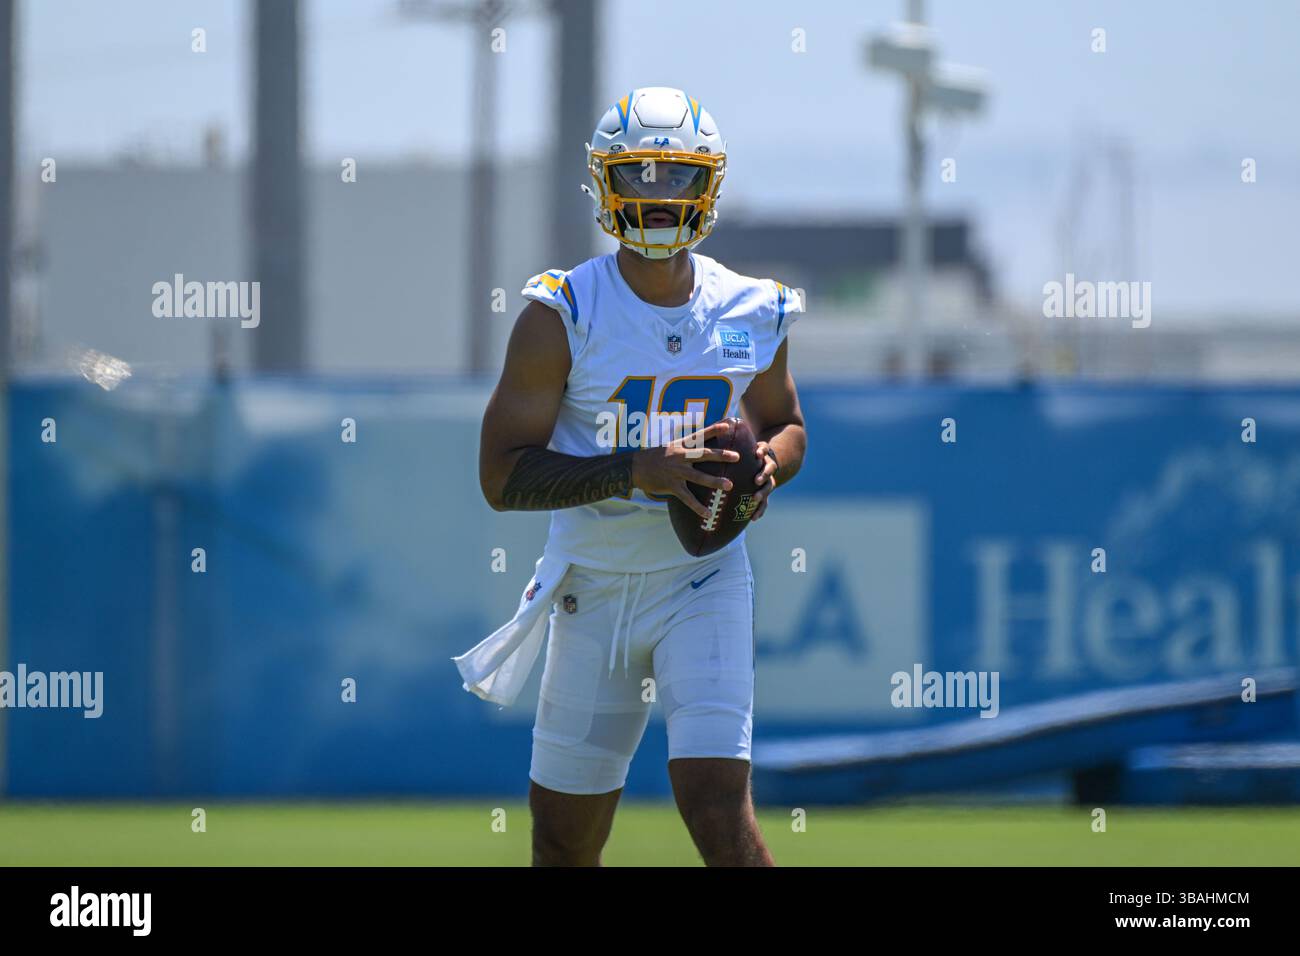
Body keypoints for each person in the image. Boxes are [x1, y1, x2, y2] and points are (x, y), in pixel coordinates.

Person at [455, 87, 806, 866]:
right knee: (564, 840)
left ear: (707, 185)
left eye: (673, 176)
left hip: (702, 576)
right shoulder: (564, 313)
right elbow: (500, 476)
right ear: (604, 184)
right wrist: (633, 470)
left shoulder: (749, 309)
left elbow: (789, 426)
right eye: (636, 176)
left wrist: (764, 470)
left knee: (715, 804)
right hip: (593, 582)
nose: (654, 196)